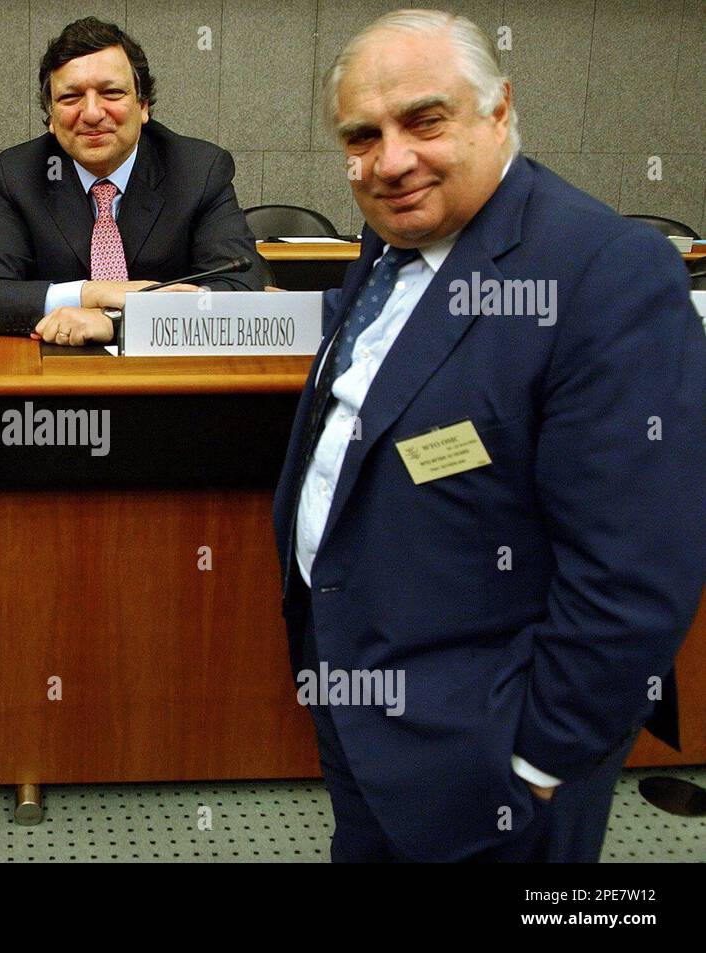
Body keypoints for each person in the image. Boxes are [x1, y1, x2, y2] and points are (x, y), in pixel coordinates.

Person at [272, 9, 706, 862]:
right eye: (362, 136)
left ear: (499, 110)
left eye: (424, 121)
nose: (389, 160)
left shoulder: (605, 274)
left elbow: (638, 571)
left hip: (487, 740)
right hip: (363, 695)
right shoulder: (392, 237)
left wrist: (535, 760)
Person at [0, 16, 265, 346]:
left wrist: (116, 322)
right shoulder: (20, 173)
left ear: (143, 106)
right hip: (58, 377)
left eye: (111, 92)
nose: (91, 113)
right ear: (50, 116)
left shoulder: (199, 170)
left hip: (173, 376)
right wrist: (93, 292)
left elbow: (240, 292)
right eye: (71, 97)